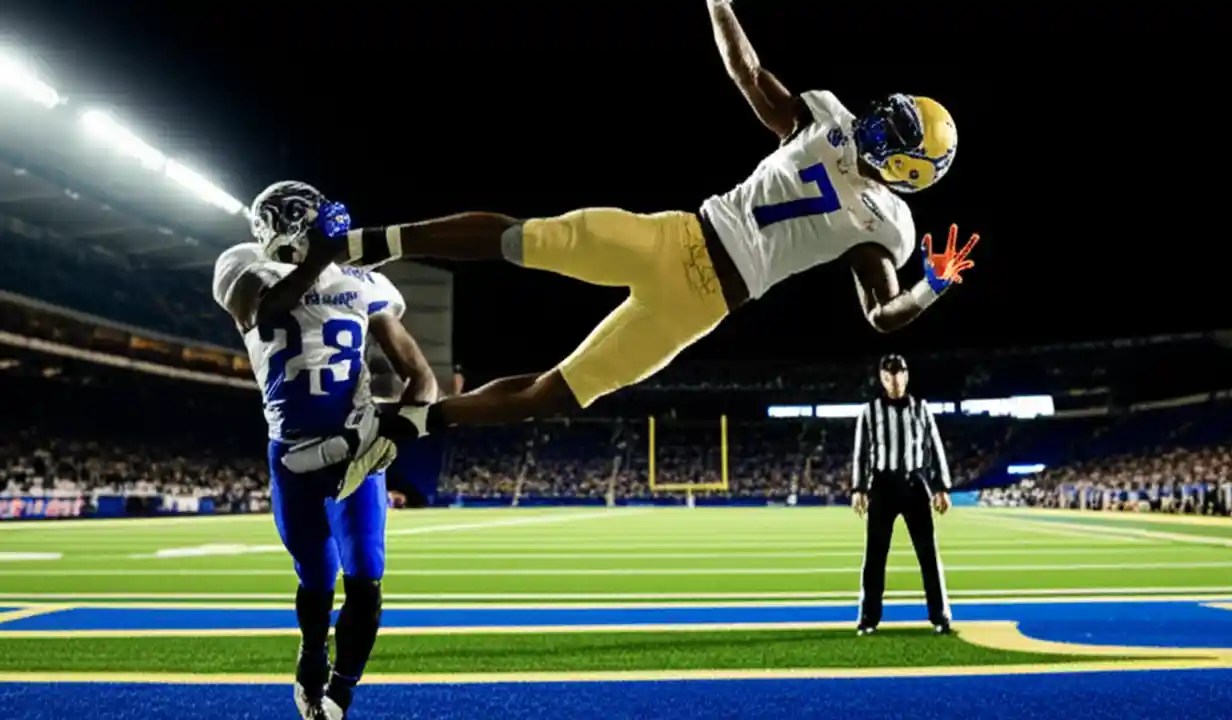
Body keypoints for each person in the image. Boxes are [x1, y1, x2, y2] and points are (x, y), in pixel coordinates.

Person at [285, 0, 977, 451]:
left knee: (553, 392)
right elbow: (747, 70)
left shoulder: (888, 222)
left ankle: (411, 422)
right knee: (521, 237)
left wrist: (931, 289)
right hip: (675, 237)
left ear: (914, 170)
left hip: (700, 306)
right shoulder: (823, 117)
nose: (878, 123)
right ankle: (364, 245)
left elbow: (882, 315)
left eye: (895, 131)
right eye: (889, 113)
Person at [212, 181, 440, 720]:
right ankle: (312, 651)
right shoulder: (243, 267)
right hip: (292, 456)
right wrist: (321, 257)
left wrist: (396, 433)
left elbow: (422, 377)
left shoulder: (364, 283)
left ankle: (341, 693)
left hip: (354, 454)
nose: (297, 227)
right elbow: (268, 313)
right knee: (315, 581)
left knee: (366, 578)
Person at [851, 354, 953, 635]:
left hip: (914, 484)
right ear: (881, 378)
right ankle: (868, 618)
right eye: (888, 375)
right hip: (882, 486)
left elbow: (934, 447)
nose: (894, 379)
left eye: (898, 374)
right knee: (875, 555)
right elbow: (861, 453)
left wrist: (941, 487)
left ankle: (940, 615)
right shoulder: (869, 411)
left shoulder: (921, 408)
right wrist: (859, 488)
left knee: (928, 553)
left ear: (906, 376)